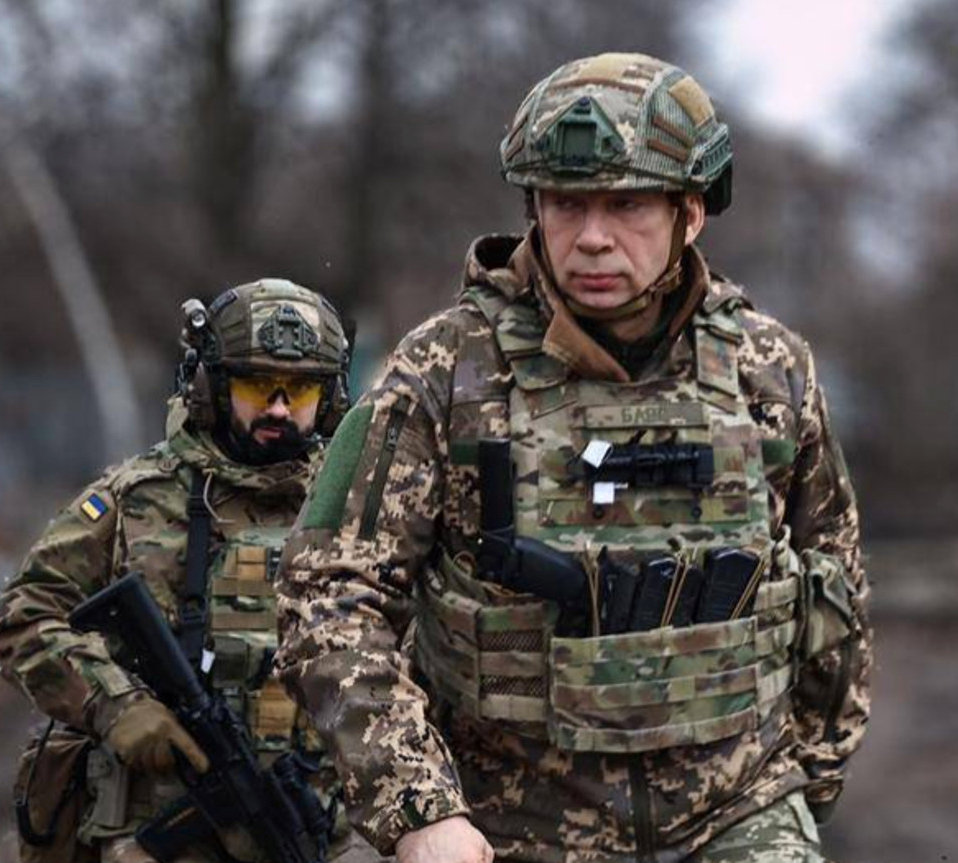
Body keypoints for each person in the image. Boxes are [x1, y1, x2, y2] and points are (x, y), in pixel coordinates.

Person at [275, 52, 872, 863]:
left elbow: (834, 580)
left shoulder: (768, 370)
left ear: (691, 213)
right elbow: (328, 595)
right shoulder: (443, 372)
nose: (592, 238)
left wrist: (809, 780)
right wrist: (418, 805)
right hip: (505, 822)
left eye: (626, 204)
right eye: (566, 204)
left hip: (737, 807)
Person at [0, 279, 376, 863]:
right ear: (211, 388)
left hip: (320, 827)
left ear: (331, 398)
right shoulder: (136, 498)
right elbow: (20, 617)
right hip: (157, 827)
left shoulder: (360, 508)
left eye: (299, 390)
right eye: (256, 386)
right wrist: (115, 704)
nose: (277, 408)